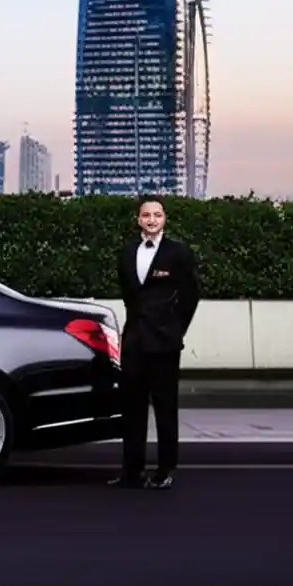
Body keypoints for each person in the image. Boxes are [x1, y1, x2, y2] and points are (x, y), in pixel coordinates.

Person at [107, 195, 200, 490]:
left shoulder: (179, 253)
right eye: (146, 215)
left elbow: (190, 296)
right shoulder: (126, 252)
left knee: (165, 407)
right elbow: (128, 293)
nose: (151, 220)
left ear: (164, 219)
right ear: (138, 219)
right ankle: (130, 471)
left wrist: (175, 330)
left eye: (157, 215)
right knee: (131, 409)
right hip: (134, 340)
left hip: (164, 342)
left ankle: (165, 469)